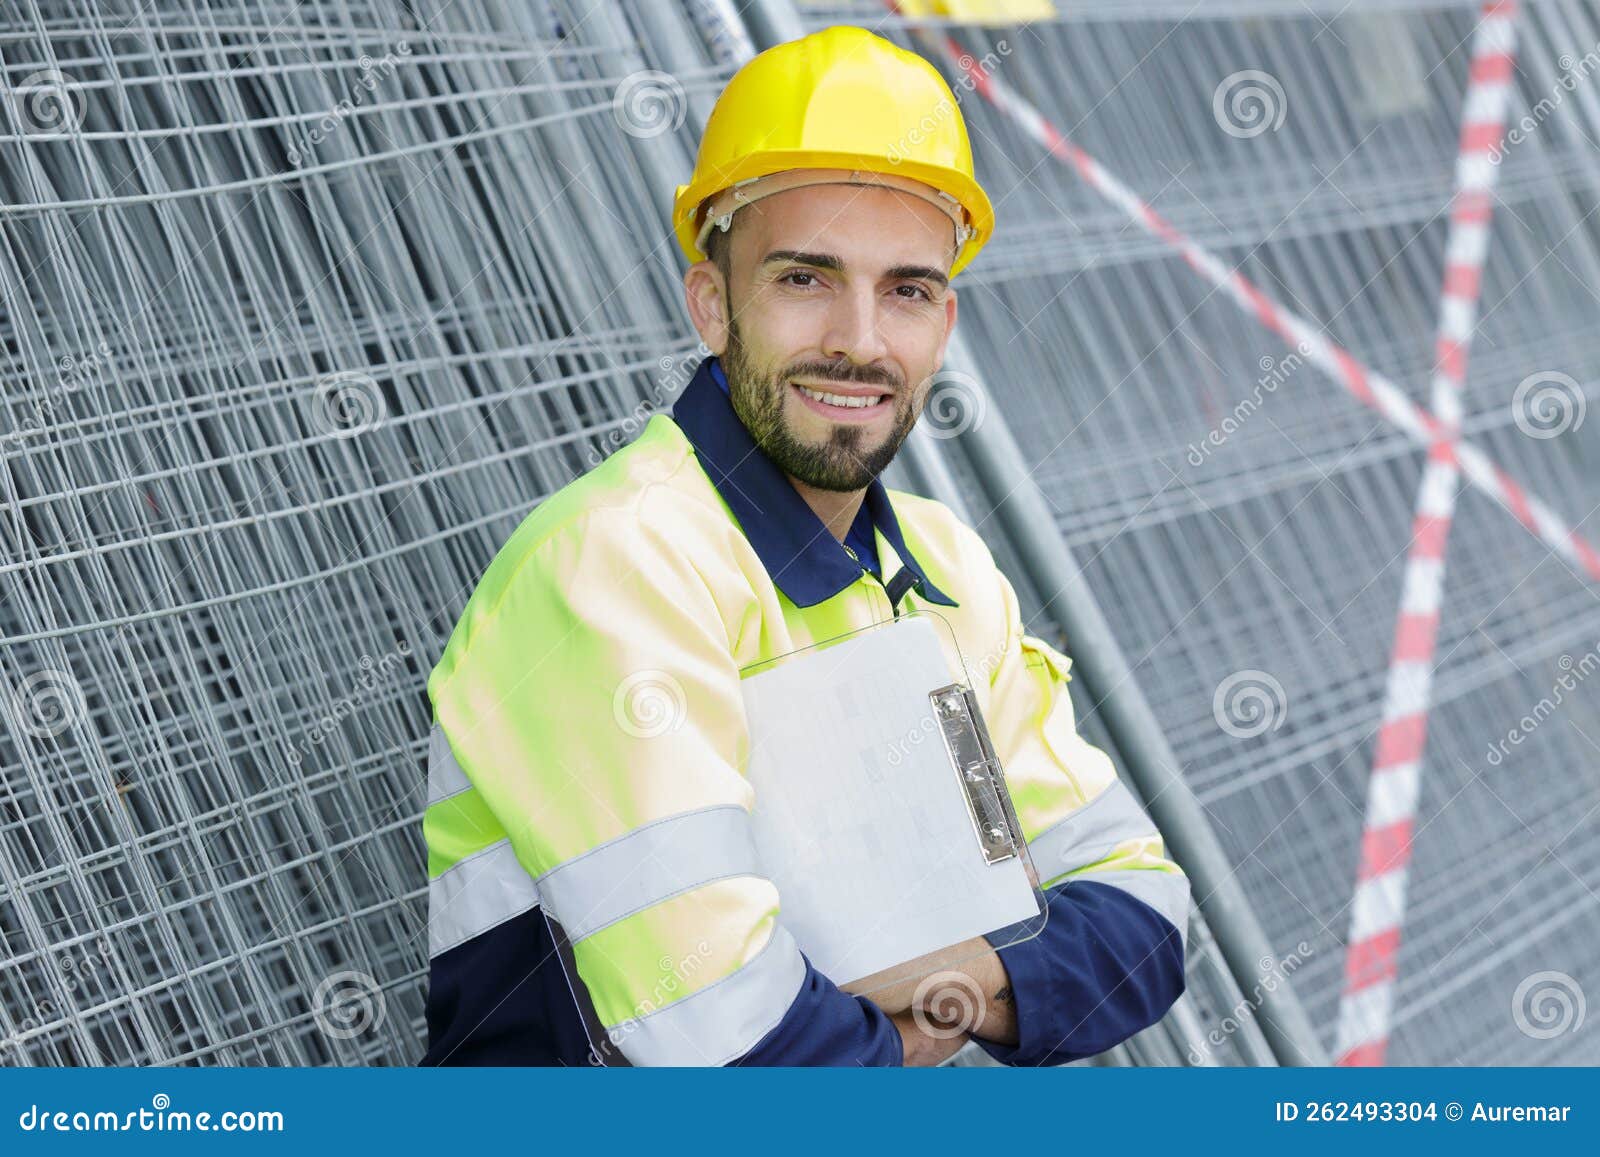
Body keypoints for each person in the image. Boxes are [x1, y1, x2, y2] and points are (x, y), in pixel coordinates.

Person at [420, 24, 1188, 1067]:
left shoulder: (944, 565)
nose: (861, 340)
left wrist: (913, 998)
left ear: (943, 326)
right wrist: (971, 993)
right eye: (804, 278)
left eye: (906, 290)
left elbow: (1145, 914)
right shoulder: (612, 568)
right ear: (712, 305)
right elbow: (743, 1054)